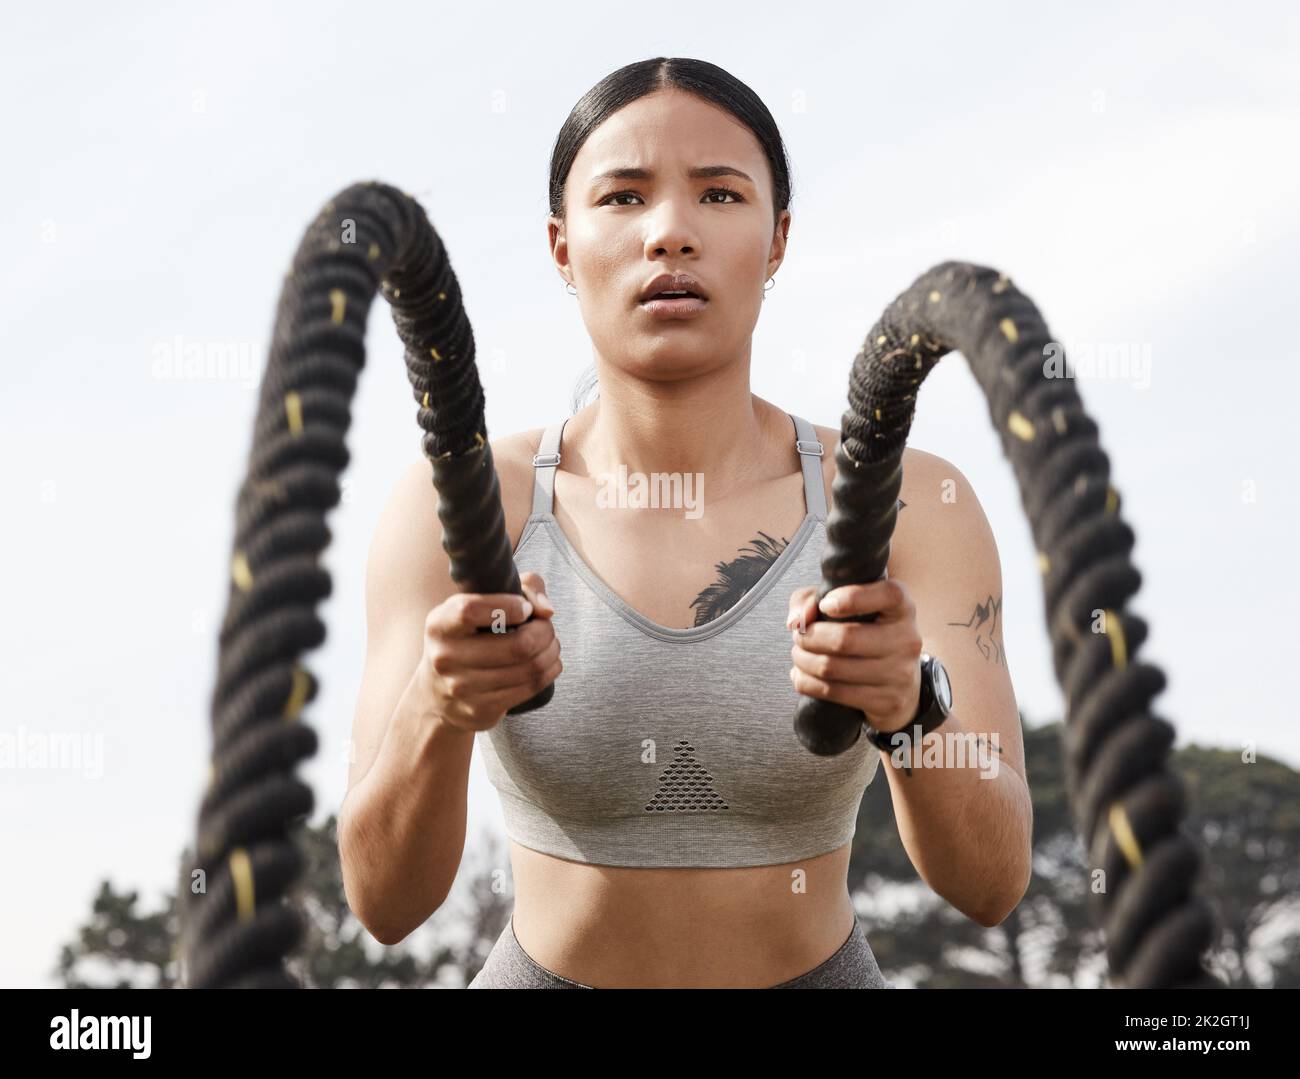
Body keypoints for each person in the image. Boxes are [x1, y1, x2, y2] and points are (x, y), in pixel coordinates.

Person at [338, 56, 1031, 988]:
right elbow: (383, 903)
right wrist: (440, 702)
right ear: (561, 247)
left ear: (777, 238)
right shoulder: (459, 503)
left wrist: (910, 705)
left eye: (719, 193)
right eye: (623, 198)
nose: (670, 232)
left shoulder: (913, 502)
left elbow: (993, 882)